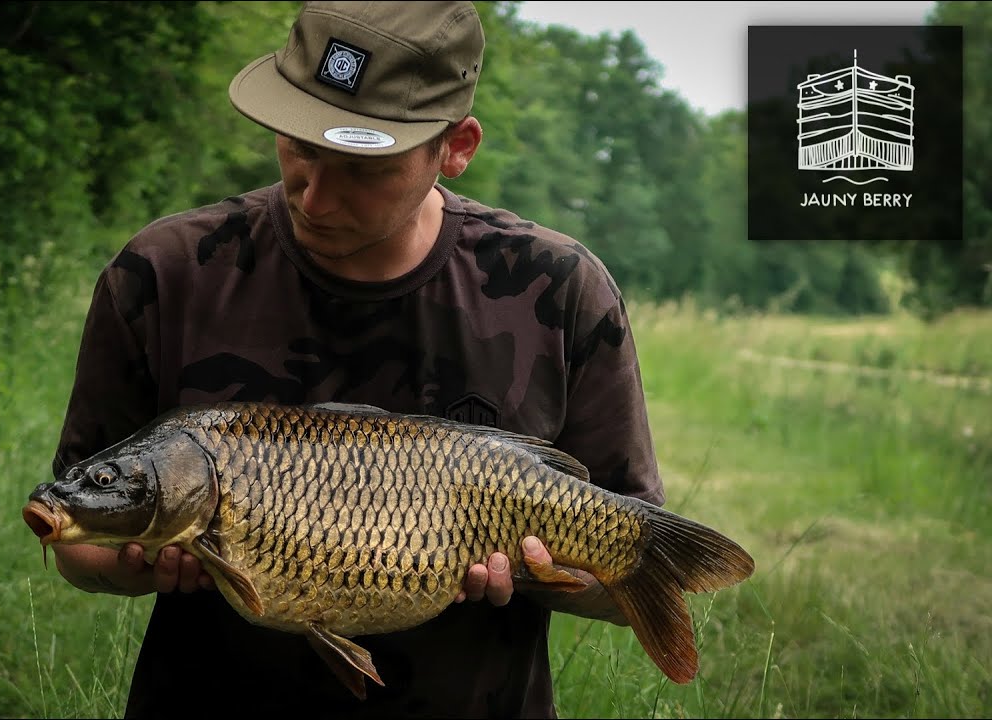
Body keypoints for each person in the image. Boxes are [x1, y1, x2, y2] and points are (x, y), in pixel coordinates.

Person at [48, 1, 665, 717]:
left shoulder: (557, 290)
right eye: (300, 148)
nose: (315, 197)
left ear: (455, 146)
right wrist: (141, 562)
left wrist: (539, 571)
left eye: (363, 168)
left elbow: (630, 578)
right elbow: (73, 537)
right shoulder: (165, 273)